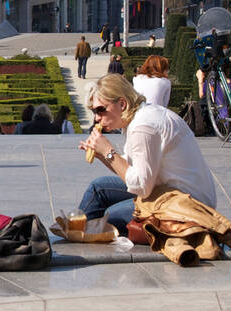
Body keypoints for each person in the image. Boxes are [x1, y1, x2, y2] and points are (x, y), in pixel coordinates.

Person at [76, 73, 219, 236]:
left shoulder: (143, 126)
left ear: (122, 104)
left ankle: (87, 234)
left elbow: (141, 187)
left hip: (187, 204)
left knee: (109, 218)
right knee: (98, 188)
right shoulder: (138, 117)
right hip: (165, 191)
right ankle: (79, 231)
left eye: (101, 110)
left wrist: (109, 152)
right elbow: (131, 171)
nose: (97, 118)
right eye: (94, 111)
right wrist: (102, 155)